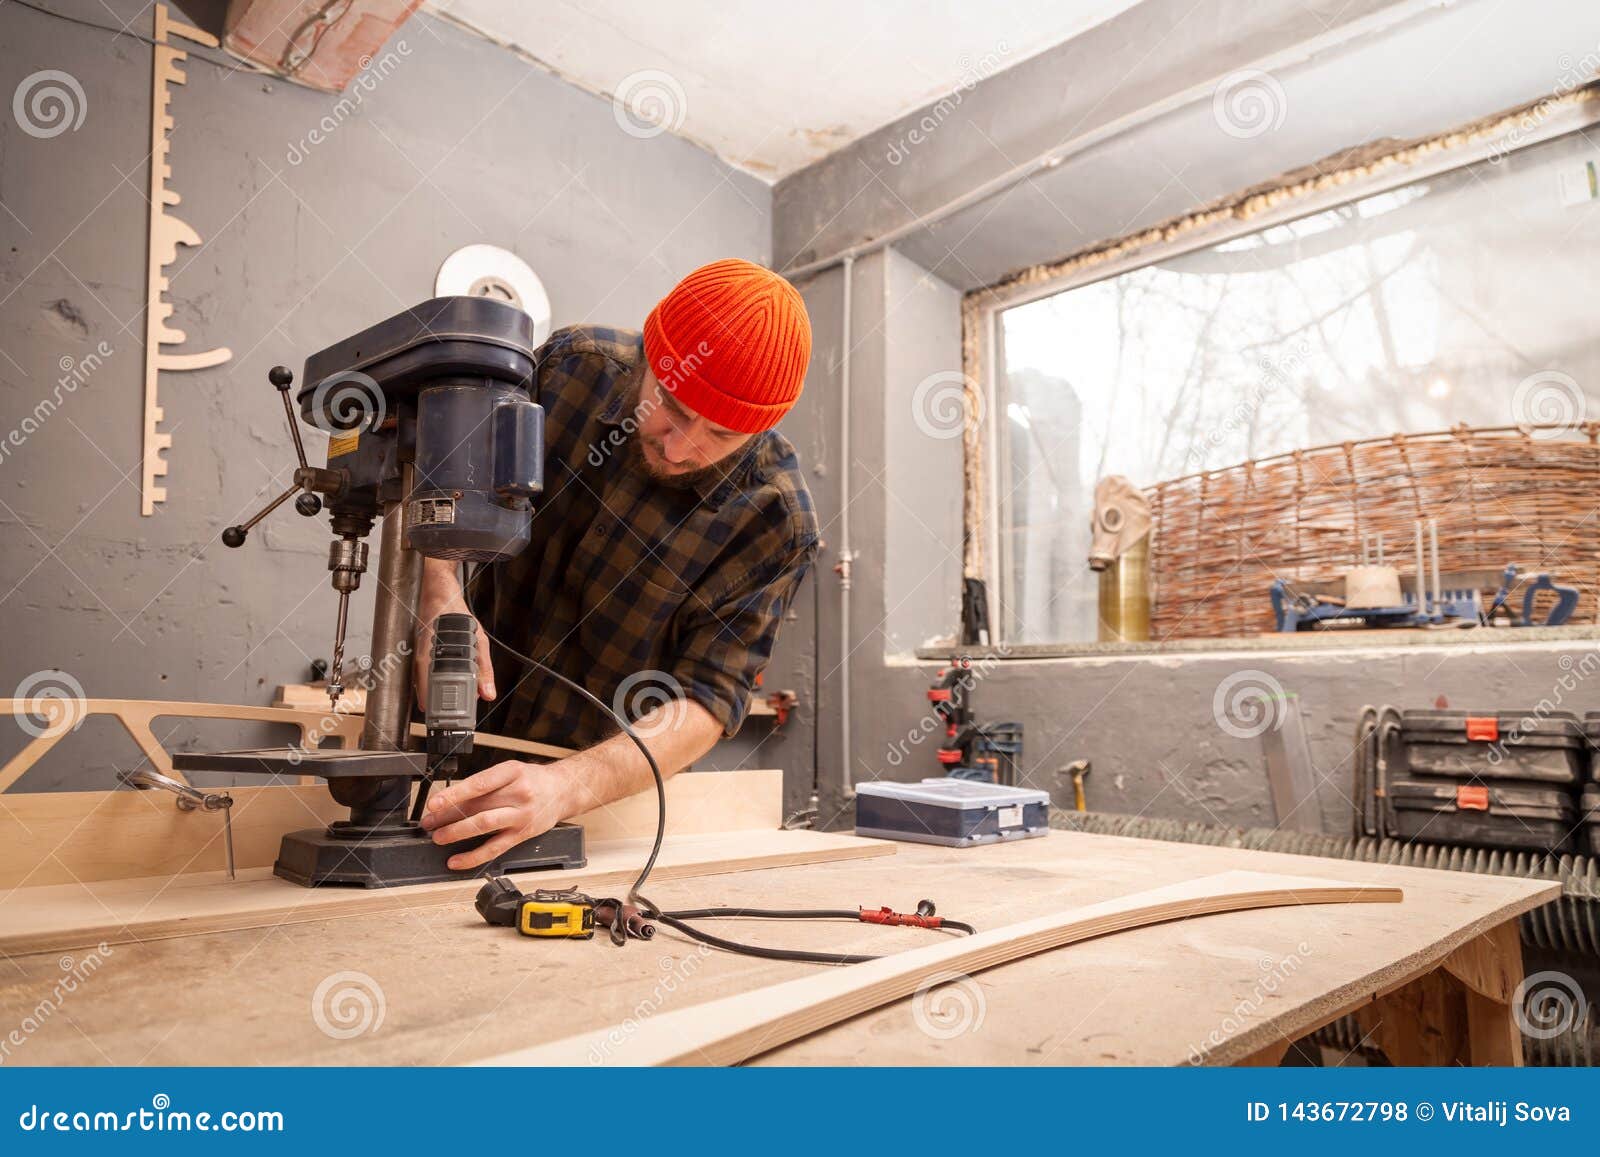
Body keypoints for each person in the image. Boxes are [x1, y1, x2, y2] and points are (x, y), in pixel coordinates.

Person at [413, 258, 817, 869]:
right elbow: (450, 481)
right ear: (649, 355)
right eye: (672, 406)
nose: (681, 448)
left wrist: (564, 786)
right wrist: (440, 593)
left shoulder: (774, 520)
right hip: (434, 740)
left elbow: (706, 700)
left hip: (593, 802)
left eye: (720, 436)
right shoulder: (570, 369)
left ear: (759, 431)